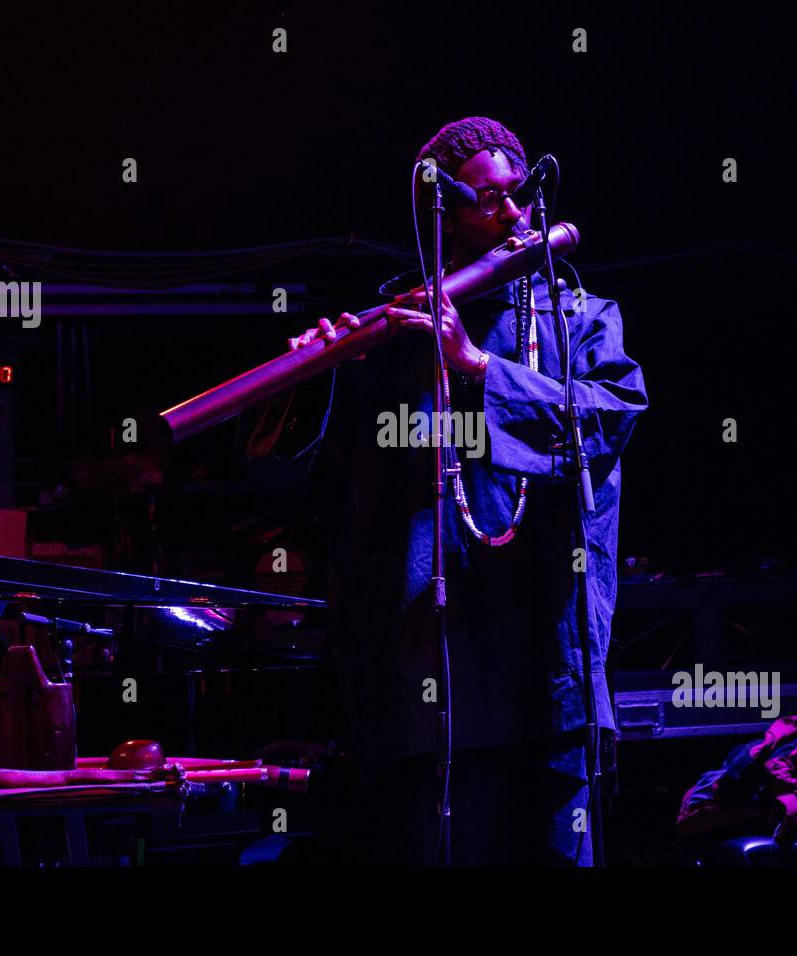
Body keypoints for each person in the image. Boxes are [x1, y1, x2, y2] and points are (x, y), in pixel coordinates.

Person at [241, 116, 647, 864]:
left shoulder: (582, 319)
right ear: (445, 212)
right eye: (488, 200)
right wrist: (313, 376)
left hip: (547, 665)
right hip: (432, 675)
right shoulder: (394, 331)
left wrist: (480, 368)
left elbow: (610, 420)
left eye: (520, 197)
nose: (515, 217)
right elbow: (291, 481)